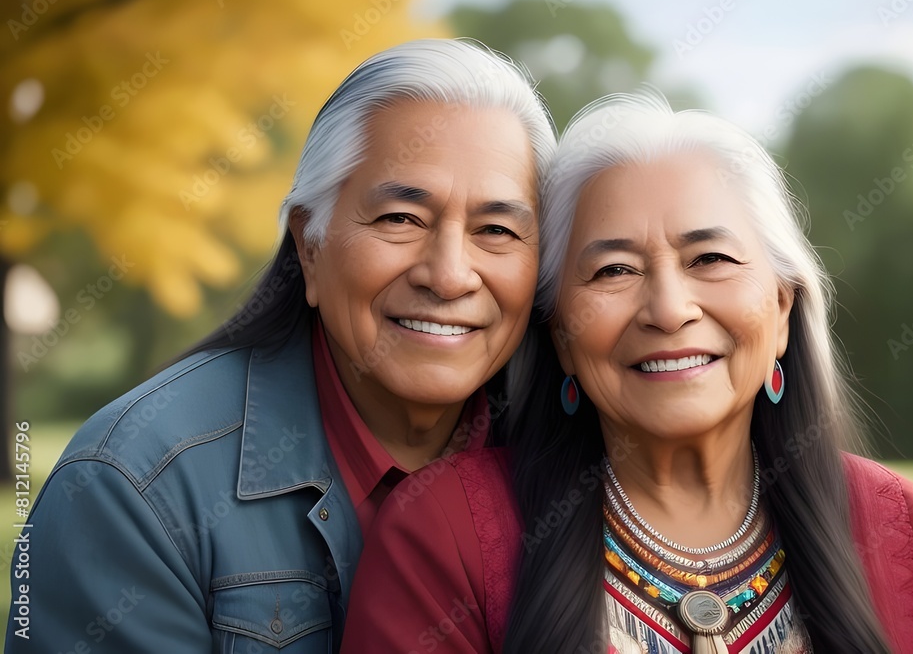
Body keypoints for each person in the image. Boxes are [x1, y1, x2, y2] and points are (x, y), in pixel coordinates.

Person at [341, 91, 913, 653]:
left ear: (780, 306)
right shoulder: (445, 534)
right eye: (614, 270)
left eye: (710, 257)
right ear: (561, 337)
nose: (667, 309)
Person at [6, 39, 555, 652]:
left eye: (497, 230)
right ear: (310, 245)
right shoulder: (132, 489)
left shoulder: (575, 459)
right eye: (400, 219)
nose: (450, 274)